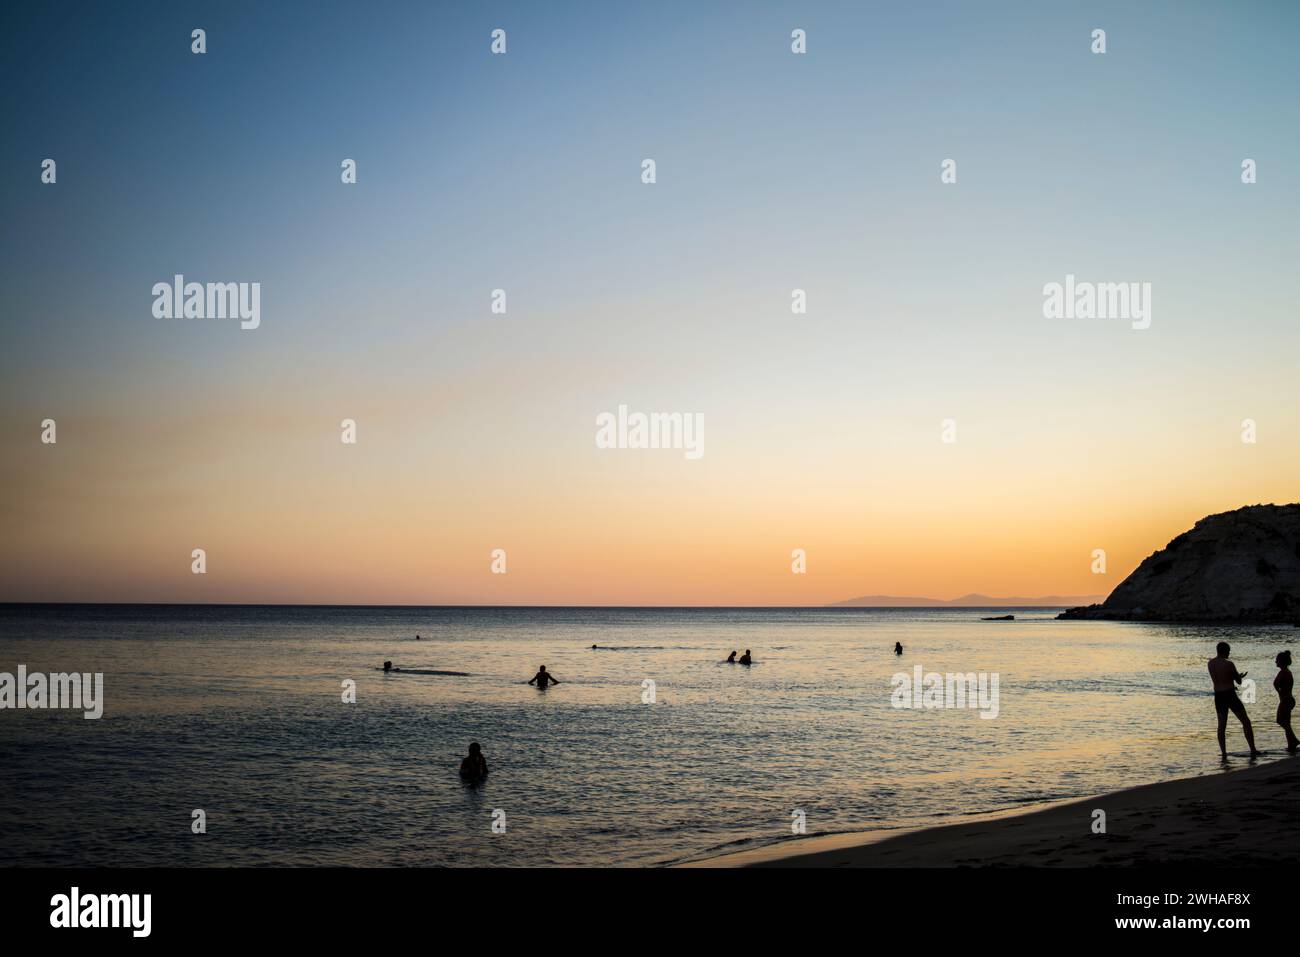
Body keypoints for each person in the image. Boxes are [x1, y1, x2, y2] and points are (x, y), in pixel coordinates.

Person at [1208, 641, 1261, 759]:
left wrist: (1233, 676)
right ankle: (1253, 749)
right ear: (1225, 651)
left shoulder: (1210, 663)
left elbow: (1222, 677)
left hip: (1218, 695)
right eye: (1228, 651)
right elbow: (1239, 681)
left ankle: (1224, 753)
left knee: (1221, 725)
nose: (1229, 653)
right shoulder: (1229, 664)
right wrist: (1239, 676)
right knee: (1245, 721)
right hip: (1230, 694)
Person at [1274, 650, 1298, 753]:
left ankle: (1294, 740)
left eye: (1277, 660)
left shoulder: (1284, 672)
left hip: (1286, 700)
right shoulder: (1287, 672)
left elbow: (1276, 684)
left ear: (1281, 662)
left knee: (1280, 720)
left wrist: (1279, 692)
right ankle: (1291, 743)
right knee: (1286, 722)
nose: (1275, 662)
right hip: (1288, 699)